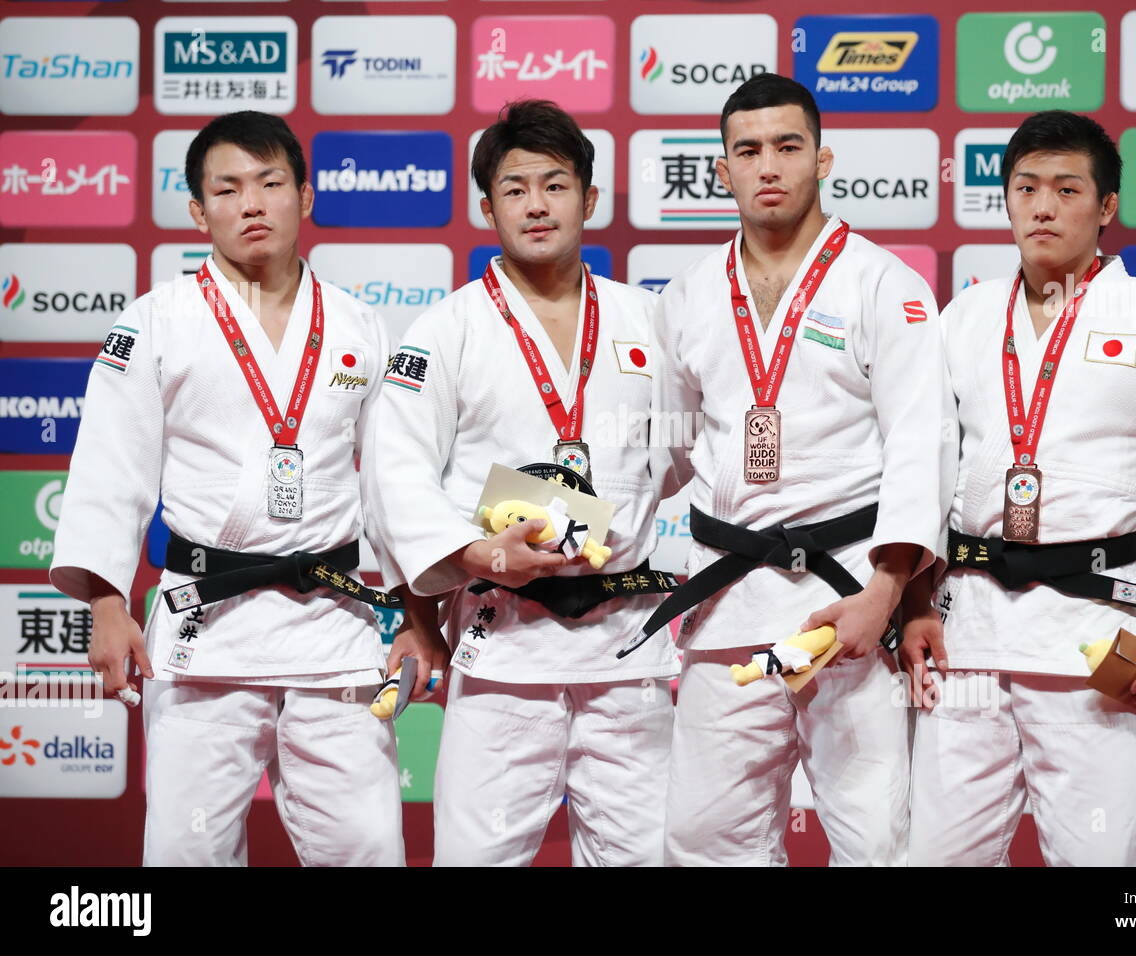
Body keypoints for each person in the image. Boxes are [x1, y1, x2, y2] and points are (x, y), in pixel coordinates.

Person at [50, 111, 434, 866]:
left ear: (306, 196)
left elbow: (395, 486)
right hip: (205, 630)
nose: (252, 203)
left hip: (334, 626)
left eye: (270, 182)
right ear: (198, 211)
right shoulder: (157, 322)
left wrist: (419, 619)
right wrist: (104, 601)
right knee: (184, 853)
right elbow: (108, 468)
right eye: (228, 189)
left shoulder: (360, 323)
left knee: (368, 848)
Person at [902, 110, 1136, 867]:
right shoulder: (963, 320)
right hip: (972, 636)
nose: (1043, 206)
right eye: (1025, 187)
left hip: (1094, 641)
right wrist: (916, 601)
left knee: (1103, 861)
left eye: (1066, 188)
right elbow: (924, 469)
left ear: (1108, 206)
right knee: (933, 857)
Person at [644, 73, 951, 866]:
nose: (768, 165)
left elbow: (922, 450)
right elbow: (668, 449)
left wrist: (885, 597)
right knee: (706, 841)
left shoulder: (885, 284)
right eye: (747, 150)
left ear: (824, 158)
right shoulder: (686, 295)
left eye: (788, 146)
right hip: (728, 603)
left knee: (875, 839)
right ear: (721, 170)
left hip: (846, 601)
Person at [373, 99, 678, 867]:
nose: (537, 205)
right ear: (486, 207)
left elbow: (686, 461)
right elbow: (396, 473)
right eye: (515, 189)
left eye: (555, 184)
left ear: (590, 198)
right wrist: (476, 557)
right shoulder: (446, 331)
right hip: (503, 644)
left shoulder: (652, 321)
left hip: (628, 648)